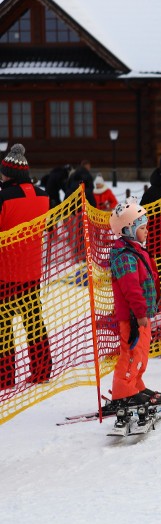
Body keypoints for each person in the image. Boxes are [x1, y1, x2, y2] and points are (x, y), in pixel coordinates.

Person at [105, 198, 161, 413]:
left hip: (142, 314)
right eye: (142, 228)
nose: (147, 231)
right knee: (130, 353)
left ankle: (135, 385)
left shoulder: (137, 250)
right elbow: (131, 289)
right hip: (132, 316)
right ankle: (123, 392)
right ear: (129, 230)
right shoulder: (124, 256)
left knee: (141, 353)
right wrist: (140, 313)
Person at [0, 144, 53, 388]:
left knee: (3, 326)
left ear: (8, 174)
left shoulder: (4, 198)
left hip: (5, 271)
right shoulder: (43, 195)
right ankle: (42, 370)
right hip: (32, 270)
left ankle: (5, 376)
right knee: (34, 322)